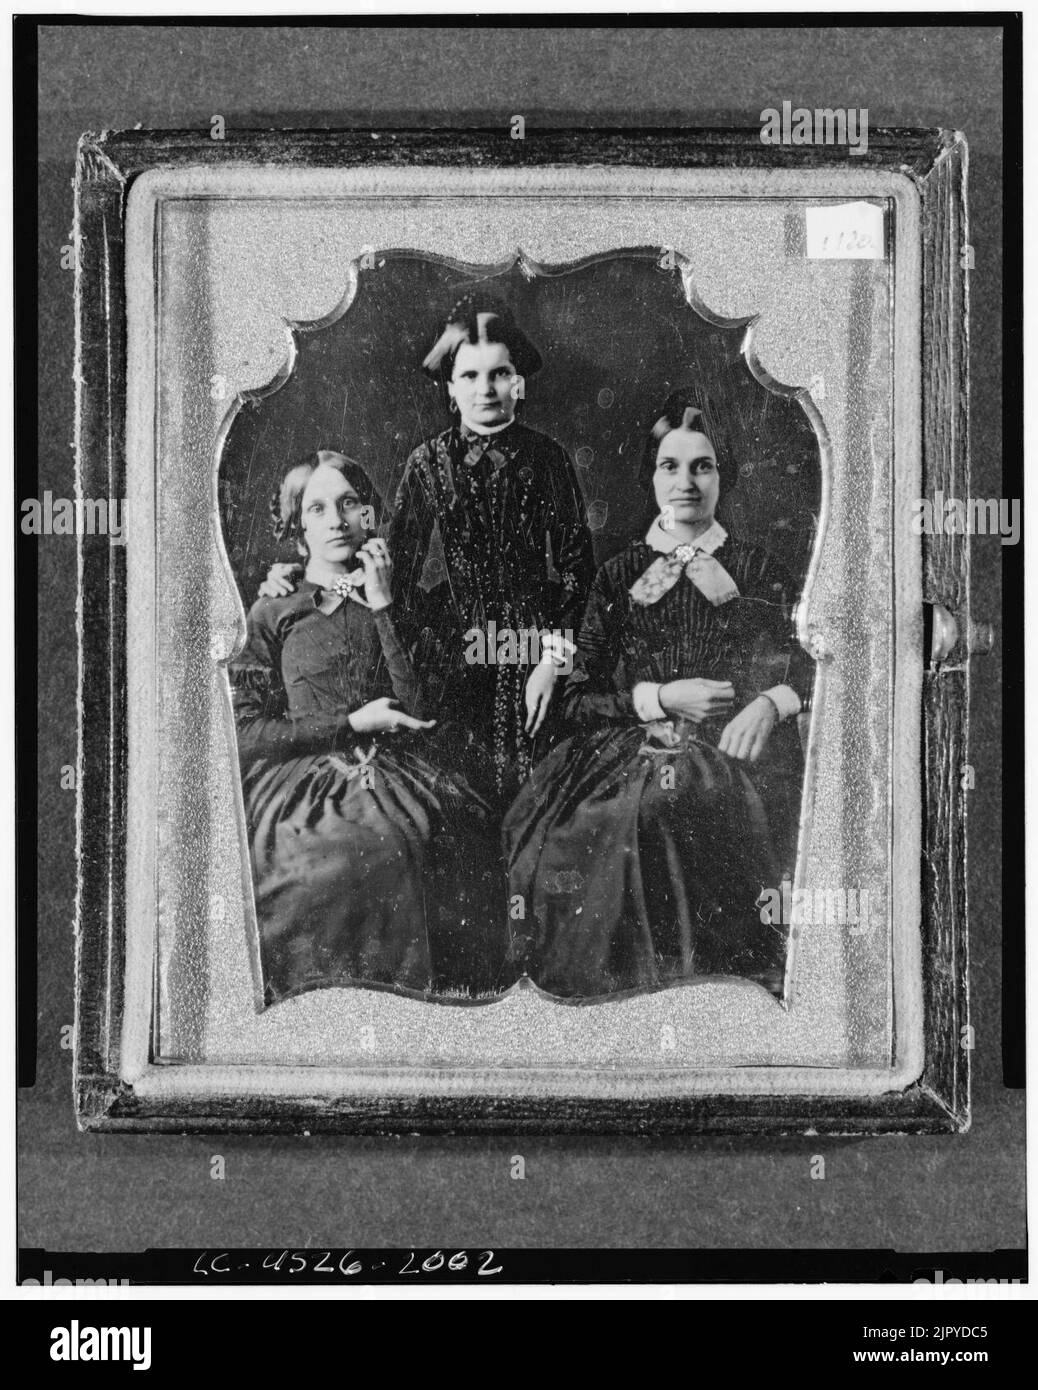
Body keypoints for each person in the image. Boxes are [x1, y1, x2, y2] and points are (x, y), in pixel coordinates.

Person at [502, 392, 815, 1001]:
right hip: (626, 748)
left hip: (728, 756)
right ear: (651, 476)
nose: (687, 483)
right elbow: (575, 697)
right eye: (671, 466)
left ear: (722, 476)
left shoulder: (755, 567)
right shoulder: (620, 575)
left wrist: (771, 701)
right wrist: (660, 695)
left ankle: (694, 997)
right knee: (578, 831)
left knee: (662, 819)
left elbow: (818, 659)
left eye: (703, 466)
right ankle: (601, 1000)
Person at [261, 297, 596, 802]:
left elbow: (576, 566)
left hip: (536, 638)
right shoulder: (427, 461)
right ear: (450, 388)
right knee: (462, 791)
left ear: (517, 382)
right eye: (470, 377)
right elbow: (393, 556)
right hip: (454, 644)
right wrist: (302, 576)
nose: (485, 389)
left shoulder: (548, 457)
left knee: (540, 783)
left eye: (499, 374)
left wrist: (552, 660)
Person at [230, 450, 506, 1006]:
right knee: (324, 856)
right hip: (302, 781)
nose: (335, 519)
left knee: (425, 841)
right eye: (317, 509)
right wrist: (349, 723)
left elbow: (422, 708)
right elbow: (243, 733)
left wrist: (383, 604)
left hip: (405, 768)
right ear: (298, 527)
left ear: (370, 517)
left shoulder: (405, 601)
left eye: (349, 503)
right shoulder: (269, 612)